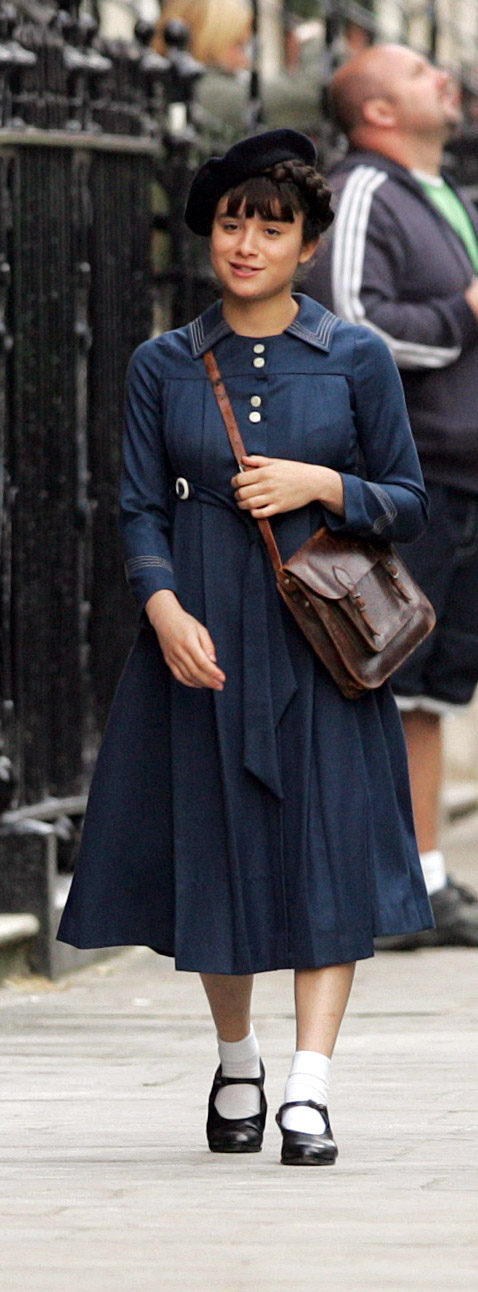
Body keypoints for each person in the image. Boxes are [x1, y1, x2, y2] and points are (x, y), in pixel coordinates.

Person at [58, 129, 432, 1165]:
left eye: (270, 224)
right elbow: (133, 507)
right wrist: (164, 607)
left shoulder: (353, 355)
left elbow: (405, 501)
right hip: (204, 632)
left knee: (322, 856)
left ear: (306, 243)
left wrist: (321, 486)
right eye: (232, 221)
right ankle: (237, 1056)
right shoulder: (162, 363)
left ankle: (308, 1088)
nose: (247, 240)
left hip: (319, 636)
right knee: (214, 857)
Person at [305, 44, 478, 949]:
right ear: (375, 111)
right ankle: (367, 882)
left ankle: (425, 880)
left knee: (431, 690)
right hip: (413, 479)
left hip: (466, 476)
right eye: (418, 73)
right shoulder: (365, 188)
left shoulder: (445, 194)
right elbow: (353, 322)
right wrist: (465, 314)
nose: (443, 80)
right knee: (382, 674)